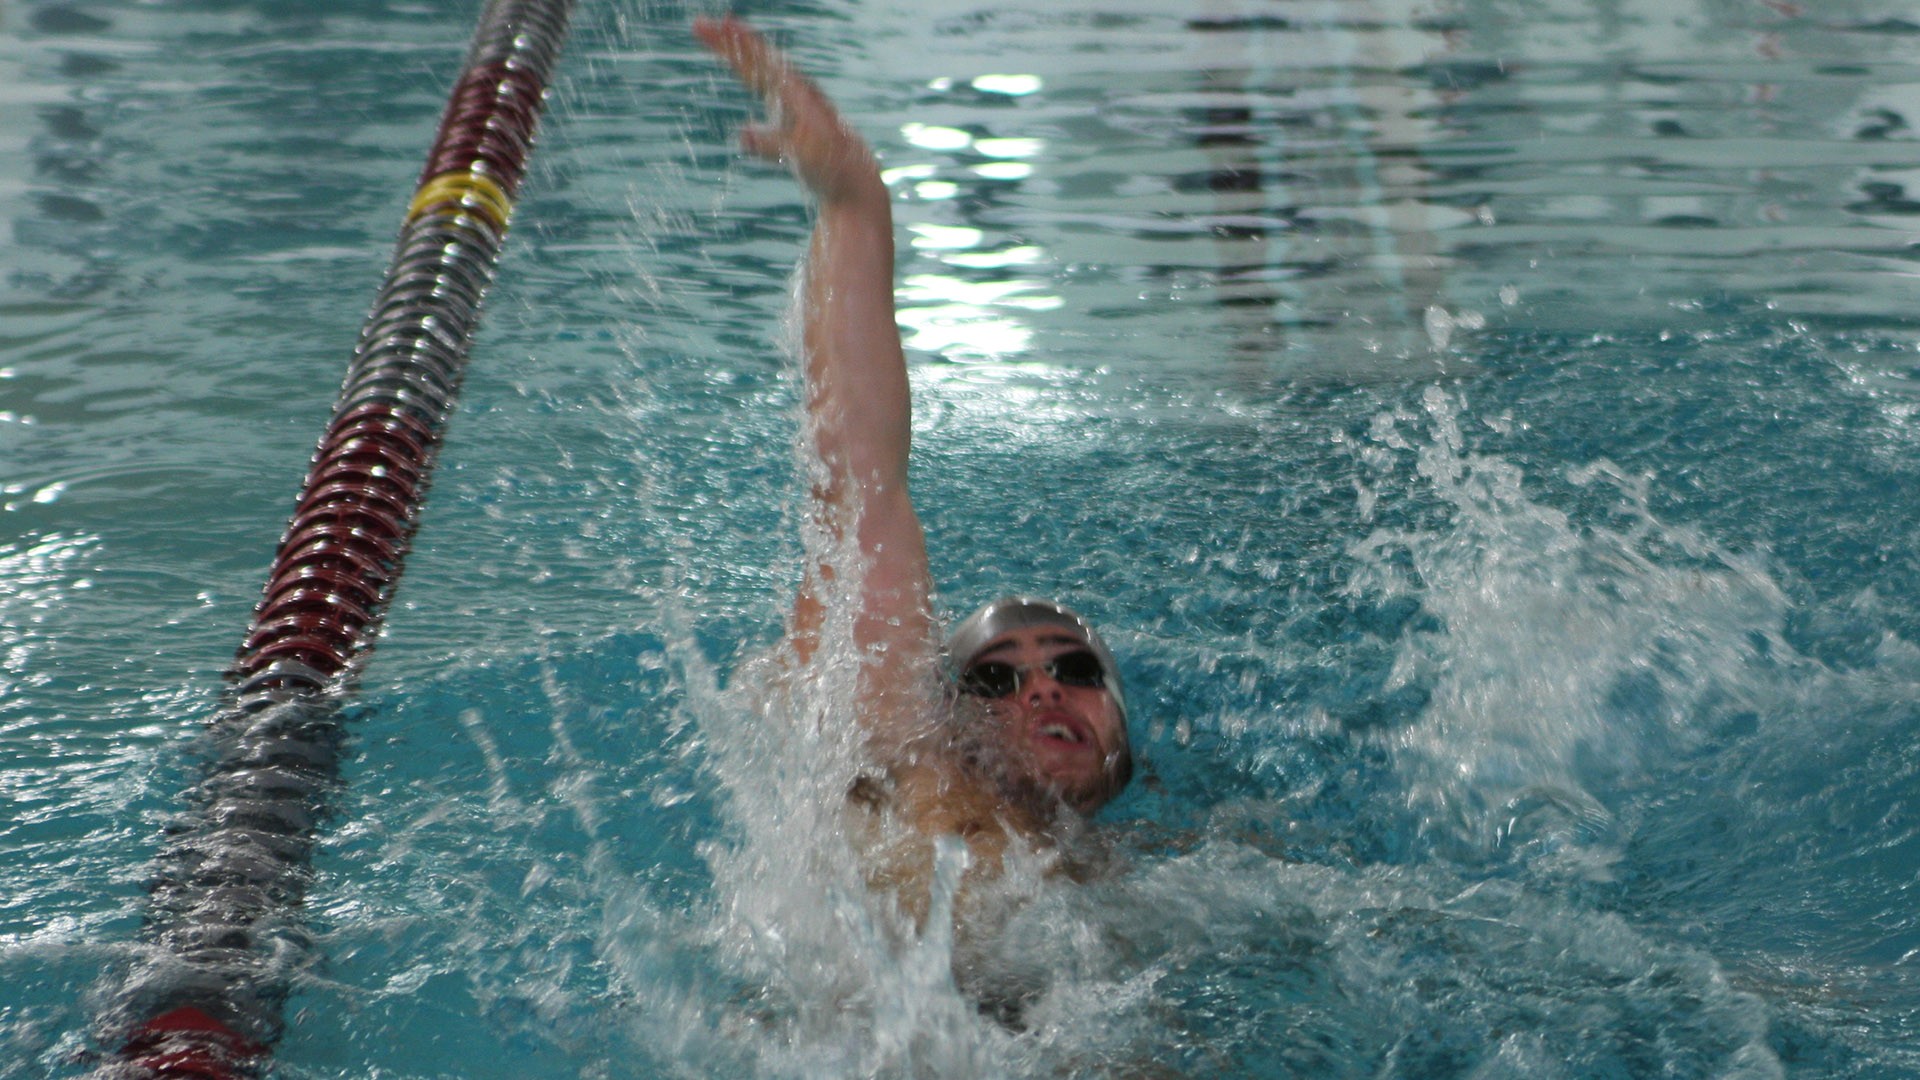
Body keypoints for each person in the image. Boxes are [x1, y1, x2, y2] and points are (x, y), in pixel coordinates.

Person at [693, 17, 1133, 923]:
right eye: (993, 679)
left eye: (1075, 667)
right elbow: (858, 482)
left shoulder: (1176, 873)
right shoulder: (911, 763)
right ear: (945, 711)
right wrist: (858, 206)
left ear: (1122, 725)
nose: (1043, 686)